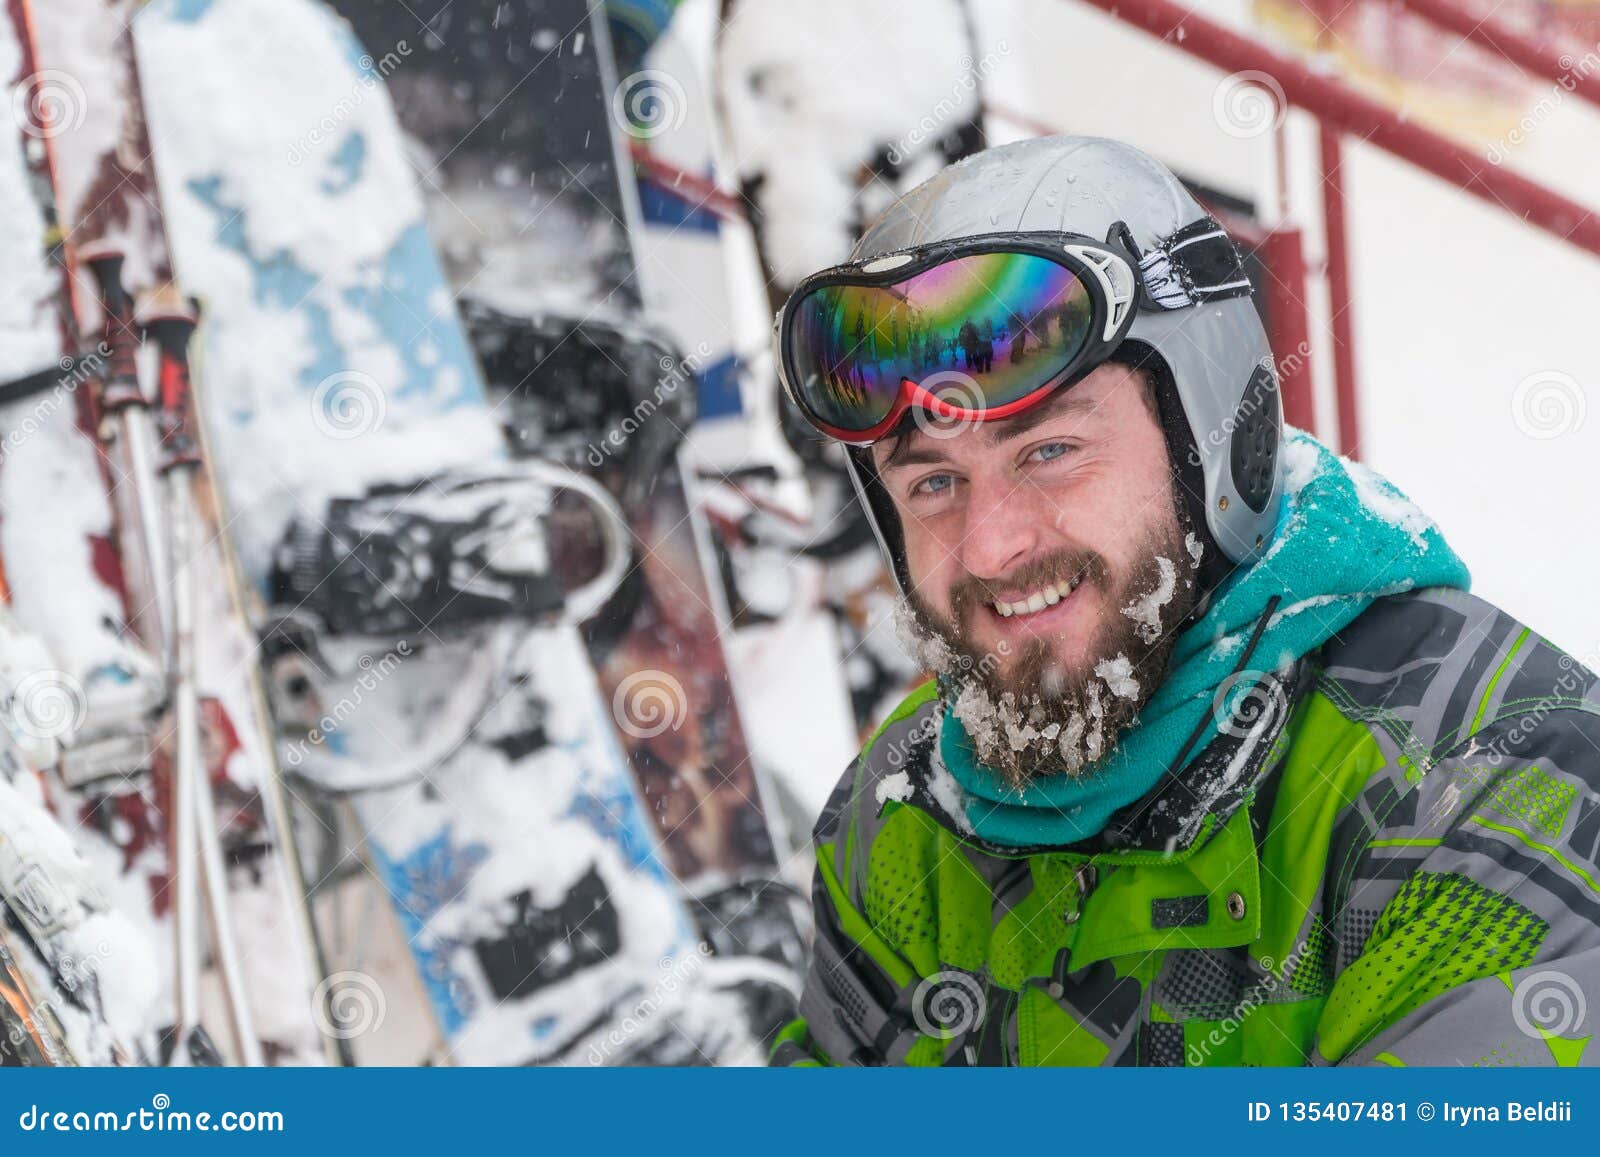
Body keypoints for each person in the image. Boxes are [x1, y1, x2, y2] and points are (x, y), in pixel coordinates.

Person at [767, 135, 1600, 1067]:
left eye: (1050, 453)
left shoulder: (1493, 784)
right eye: (932, 486)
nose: (992, 543)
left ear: (1214, 440)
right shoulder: (905, 815)